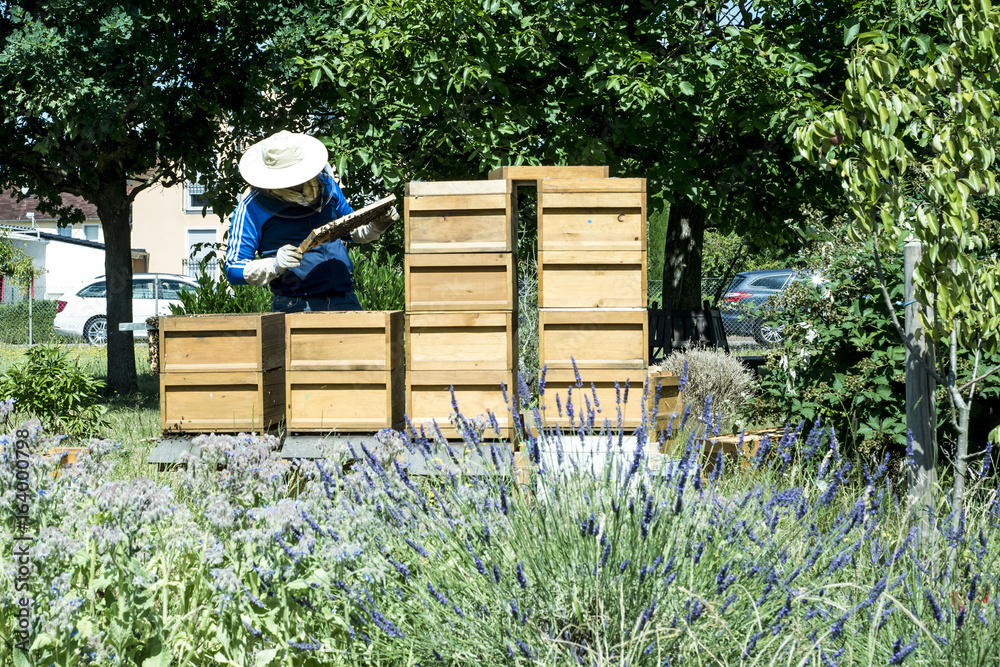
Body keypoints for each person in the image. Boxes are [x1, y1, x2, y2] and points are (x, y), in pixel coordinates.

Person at [224, 130, 397, 312]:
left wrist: (378, 224)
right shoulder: (251, 206)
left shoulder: (327, 185)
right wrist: (274, 264)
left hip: (345, 297)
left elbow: (350, 231)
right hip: (295, 304)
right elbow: (234, 268)